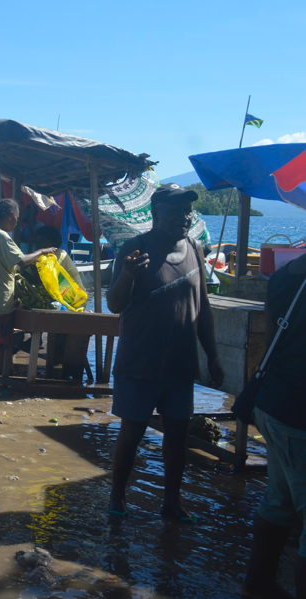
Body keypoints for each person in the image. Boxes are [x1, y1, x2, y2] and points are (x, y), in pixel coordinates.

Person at [106, 183, 223, 522]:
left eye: (187, 211)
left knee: (176, 437)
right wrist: (127, 275)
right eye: (175, 210)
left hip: (180, 365)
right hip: (139, 364)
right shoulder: (136, 248)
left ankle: (171, 502)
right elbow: (114, 304)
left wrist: (213, 356)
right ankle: (117, 498)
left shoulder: (194, 248)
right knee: (132, 434)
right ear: (155, 213)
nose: (183, 217)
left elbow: (203, 307)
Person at [242, 252, 306, 599]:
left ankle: (258, 583)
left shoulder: (283, 277)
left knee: (279, 500)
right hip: (299, 416)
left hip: (272, 405)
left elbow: (270, 343)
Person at [0, 199, 55, 394]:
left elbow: (6, 262)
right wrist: (42, 251)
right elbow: (22, 260)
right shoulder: (2, 237)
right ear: (10, 215)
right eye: (16, 218)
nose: (17, 222)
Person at [34, 226, 85, 291]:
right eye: (37, 242)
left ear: (52, 244)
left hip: (74, 295)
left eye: (41, 242)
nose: (38, 245)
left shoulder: (60, 255)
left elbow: (46, 276)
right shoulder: (43, 258)